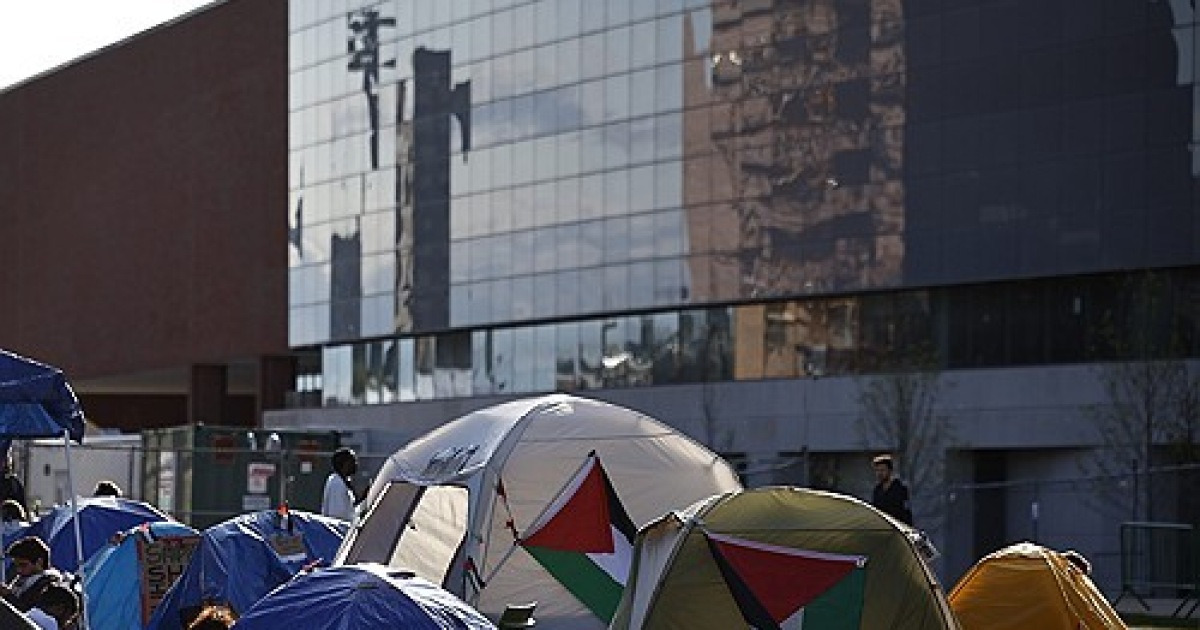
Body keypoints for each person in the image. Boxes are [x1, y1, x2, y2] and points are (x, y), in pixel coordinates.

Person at [0, 537, 62, 612]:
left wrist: (7, 595)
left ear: (39, 562)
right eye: (16, 565)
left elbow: (29, 612)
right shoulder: (22, 580)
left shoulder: (49, 586)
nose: (18, 570)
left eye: (23, 565)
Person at [870, 454, 913, 525]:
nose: (880, 473)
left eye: (882, 470)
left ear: (890, 470)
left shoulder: (900, 488)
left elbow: (906, 511)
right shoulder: (877, 490)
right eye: (877, 470)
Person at [322, 447, 360, 522]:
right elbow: (338, 516)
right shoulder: (337, 484)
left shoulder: (340, 481)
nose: (356, 464)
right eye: (353, 461)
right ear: (345, 464)